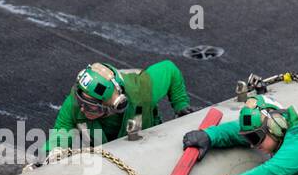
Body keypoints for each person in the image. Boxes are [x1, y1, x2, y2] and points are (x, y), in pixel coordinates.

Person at [46, 61, 192, 152]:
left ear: (116, 105)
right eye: (81, 102)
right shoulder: (74, 102)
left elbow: (170, 69)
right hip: (103, 153)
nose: (83, 109)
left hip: (145, 141)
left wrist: (181, 106)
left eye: (91, 107)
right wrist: (47, 157)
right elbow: (59, 136)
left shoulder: (141, 90)